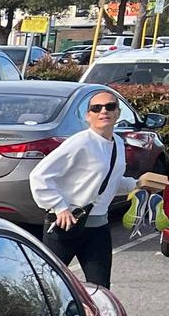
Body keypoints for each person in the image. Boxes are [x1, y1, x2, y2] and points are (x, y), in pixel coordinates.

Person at [31, 91, 168, 286]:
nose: (103, 111)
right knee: (49, 285)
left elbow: (110, 181)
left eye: (110, 107)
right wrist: (59, 207)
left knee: (101, 287)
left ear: (118, 113)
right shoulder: (80, 143)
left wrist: (137, 185)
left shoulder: (118, 144)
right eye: (96, 108)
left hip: (98, 228)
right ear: (88, 116)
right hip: (67, 224)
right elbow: (39, 175)